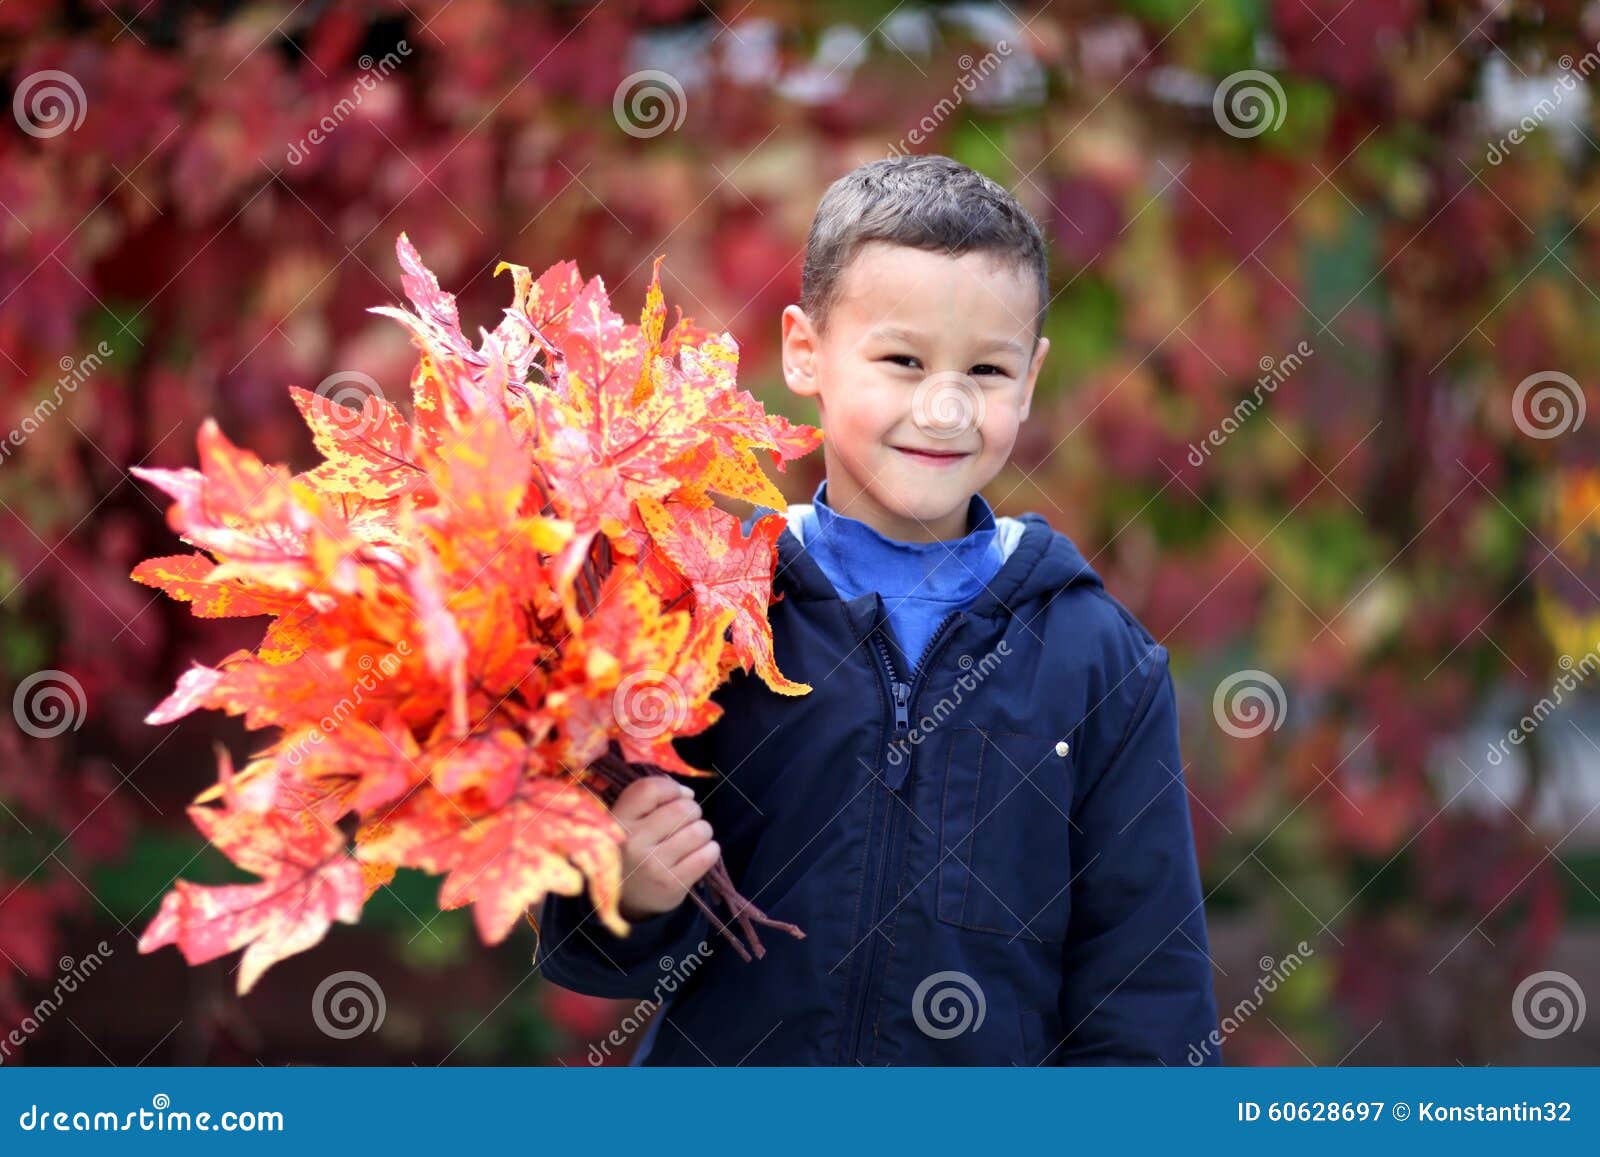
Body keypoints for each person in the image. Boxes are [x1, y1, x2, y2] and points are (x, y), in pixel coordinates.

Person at [535, 154, 1221, 1066]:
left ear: (1030, 378)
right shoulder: (705, 612)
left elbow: (1148, 1002)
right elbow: (599, 950)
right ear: (805, 350)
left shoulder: (1099, 662)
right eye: (902, 360)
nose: (942, 406)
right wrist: (626, 887)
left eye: (984, 368)